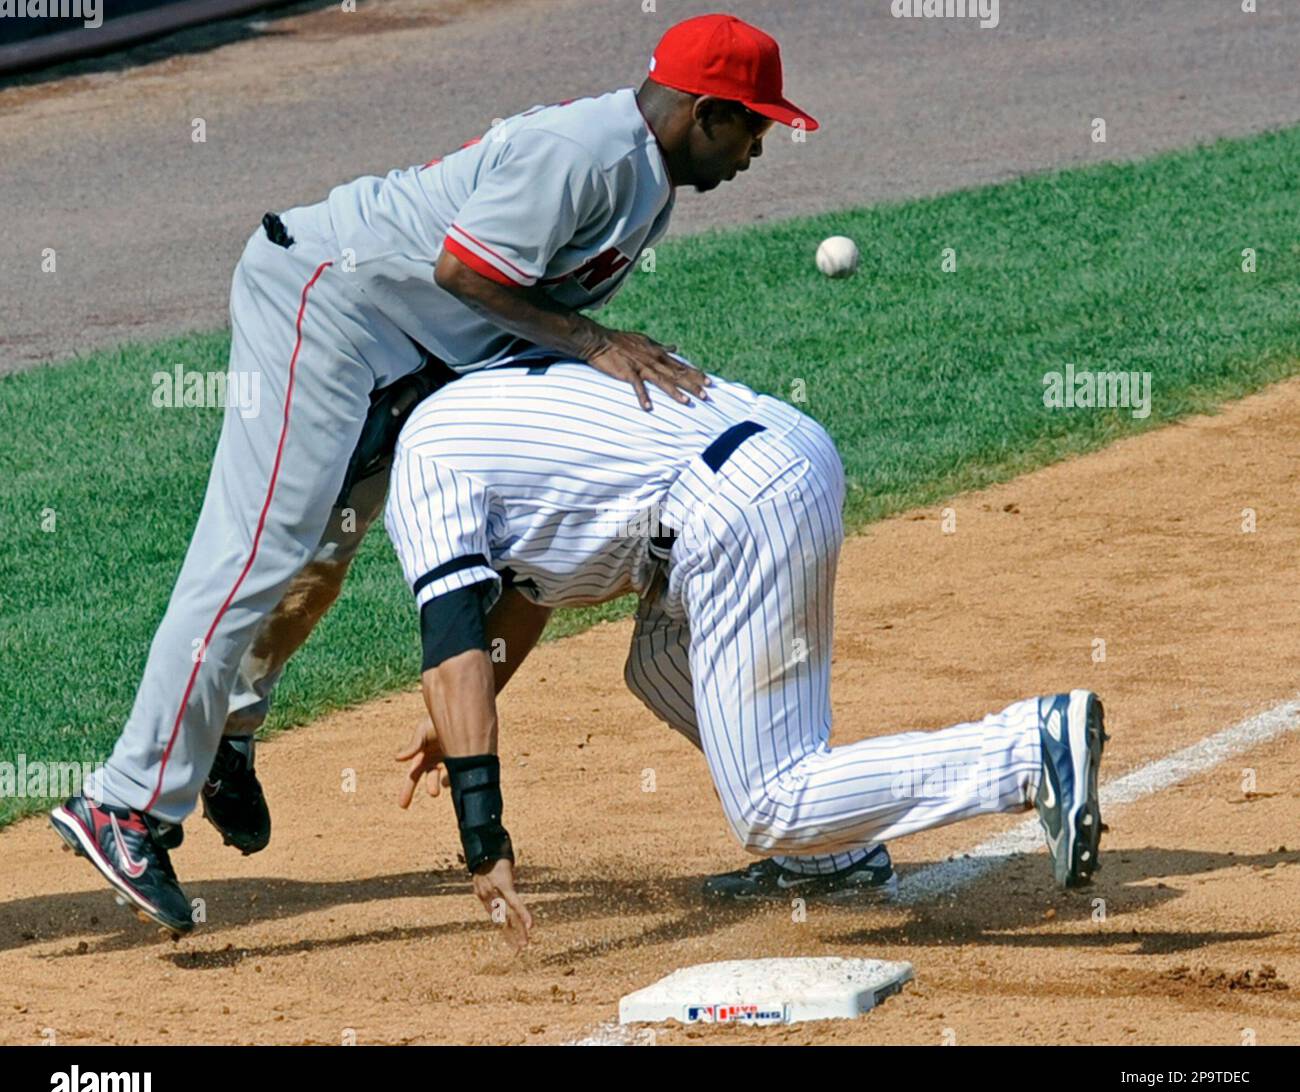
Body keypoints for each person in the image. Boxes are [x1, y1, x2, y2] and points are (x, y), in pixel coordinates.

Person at [51, 13, 820, 935]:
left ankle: (227, 735)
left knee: (319, 566)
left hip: (408, 361)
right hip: (328, 306)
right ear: (705, 112)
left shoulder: (647, 180)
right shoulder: (586, 155)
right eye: (755, 126)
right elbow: (466, 271)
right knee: (253, 554)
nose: (761, 148)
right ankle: (126, 803)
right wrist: (595, 344)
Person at [384, 352, 1107, 948]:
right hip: (779, 461)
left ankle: (1027, 750)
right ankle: (834, 861)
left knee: (770, 803)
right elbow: (529, 593)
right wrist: (463, 710)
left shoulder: (421, 456)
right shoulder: (486, 400)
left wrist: (484, 840)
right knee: (660, 665)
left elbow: (452, 650)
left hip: (733, 514)